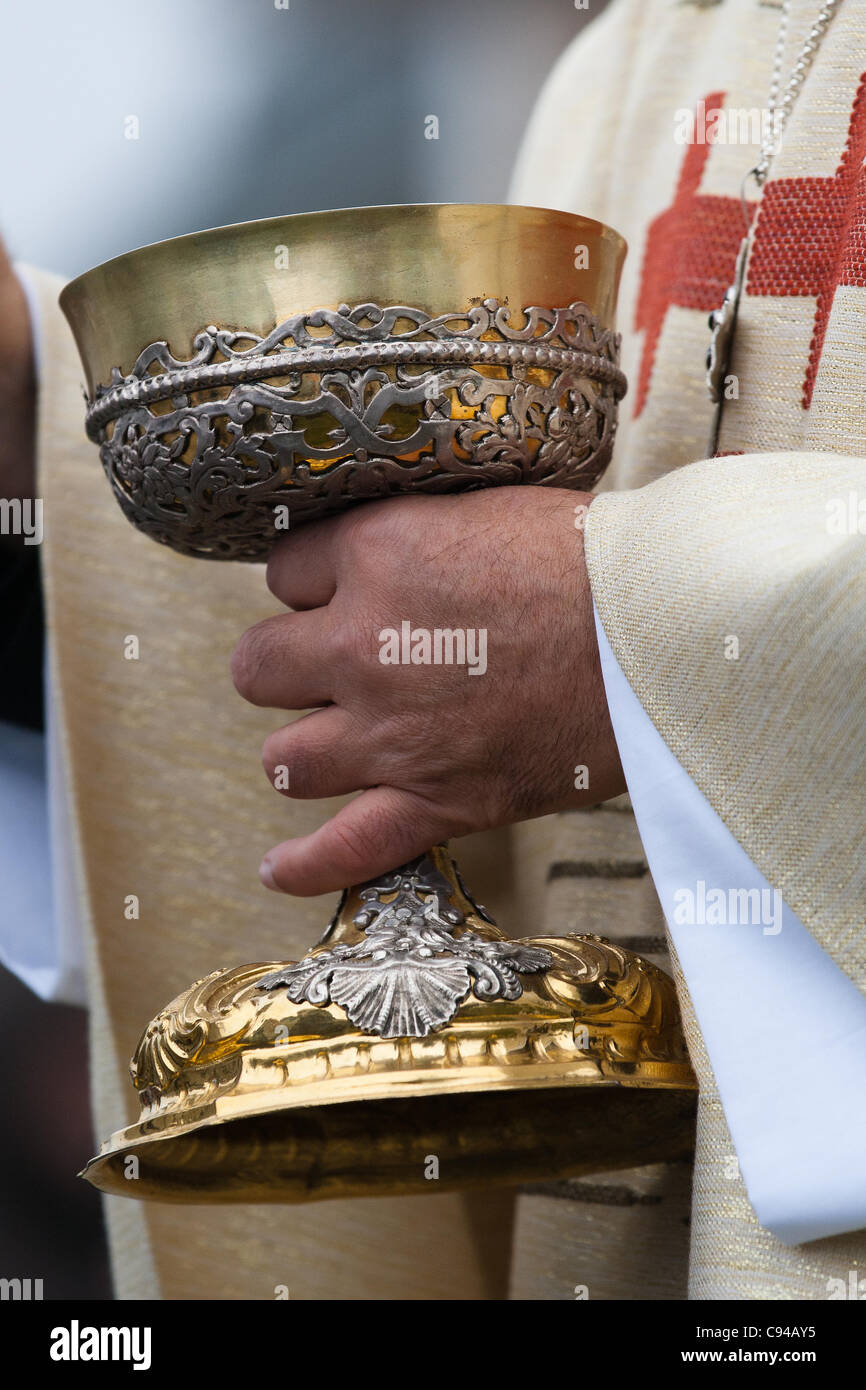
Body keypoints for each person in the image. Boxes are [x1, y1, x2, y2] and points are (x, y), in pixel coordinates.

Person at [2, 0, 865, 1299]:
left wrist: (646, 629)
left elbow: (554, 584)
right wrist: (32, 463)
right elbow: (459, 574)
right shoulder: (645, 46)